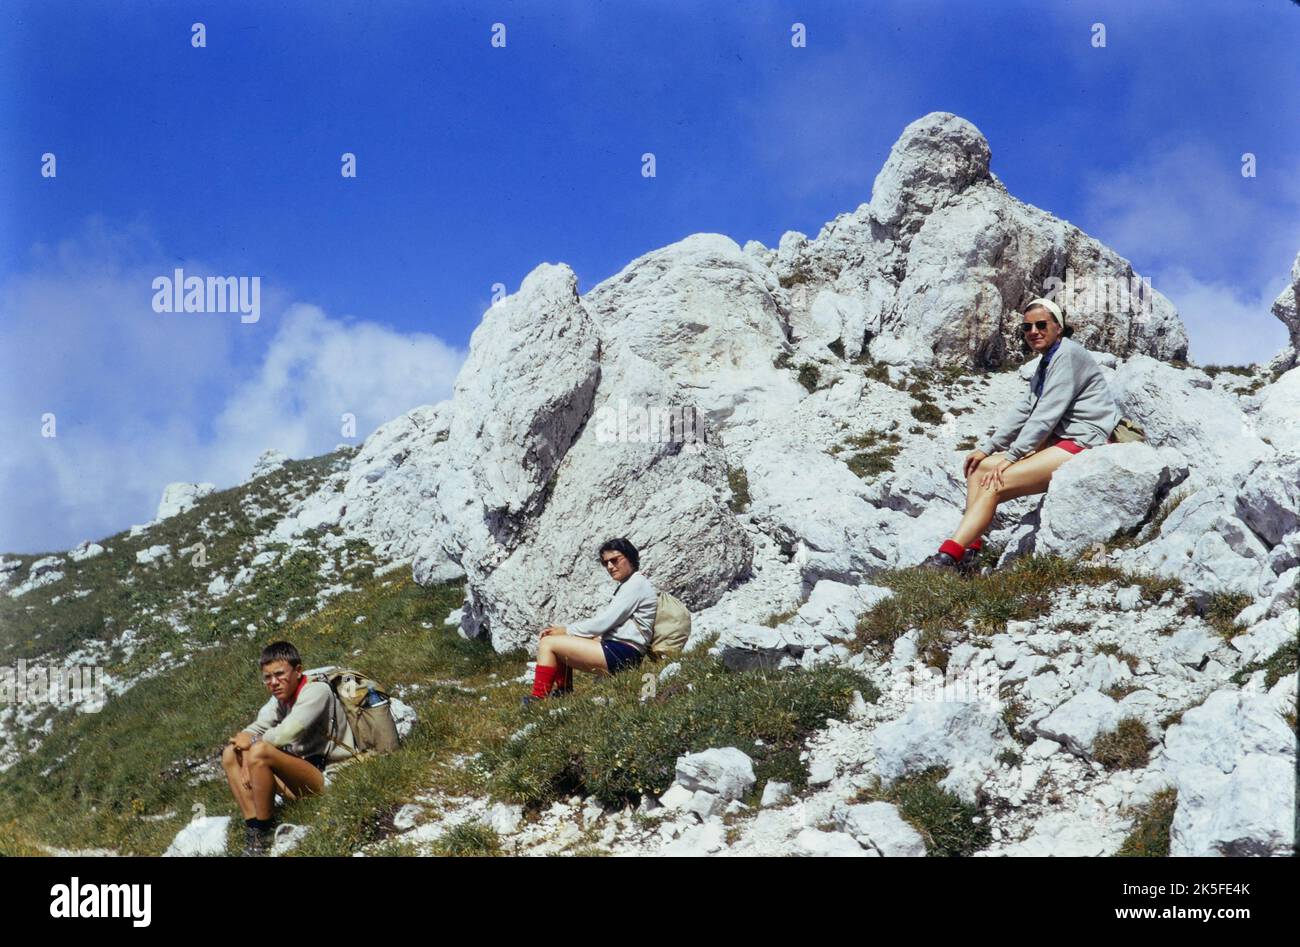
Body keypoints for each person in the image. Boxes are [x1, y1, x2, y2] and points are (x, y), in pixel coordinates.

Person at [921, 298, 1122, 574]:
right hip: (1061, 441)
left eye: (1042, 325)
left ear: (1058, 328)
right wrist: (988, 449)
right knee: (978, 468)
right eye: (1027, 327)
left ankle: (946, 558)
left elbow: (1046, 414)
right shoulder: (1047, 361)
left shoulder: (1068, 354)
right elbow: (1025, 408)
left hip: (1085, 441)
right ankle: (969, 552)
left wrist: (1011, 457)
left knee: (996, 481)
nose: (1033, 332)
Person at [221, 640, 356, 855]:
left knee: (260, 751)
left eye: (280, 674)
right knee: (230, 754)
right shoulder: (279, 701)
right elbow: (252, 730)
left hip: (329, 775)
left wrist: (253, 744)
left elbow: (287, 732)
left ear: (298, 671)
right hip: (301, 774)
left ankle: (265, 830)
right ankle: (255, 831)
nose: (274, 682)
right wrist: (243, 745)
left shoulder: (317, 691)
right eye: (267, 677)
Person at [521, 537, 657, 707]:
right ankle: (562, 692)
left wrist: (567, 630)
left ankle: (538, 699)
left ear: (629, 557)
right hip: (623, 651)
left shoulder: (635, 585)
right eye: (605, 562)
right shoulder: (632, 583)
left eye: (614, 560)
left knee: (548, 643)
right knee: (561, 642)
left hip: (623, 653)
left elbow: (604, 623)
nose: (610, 566)